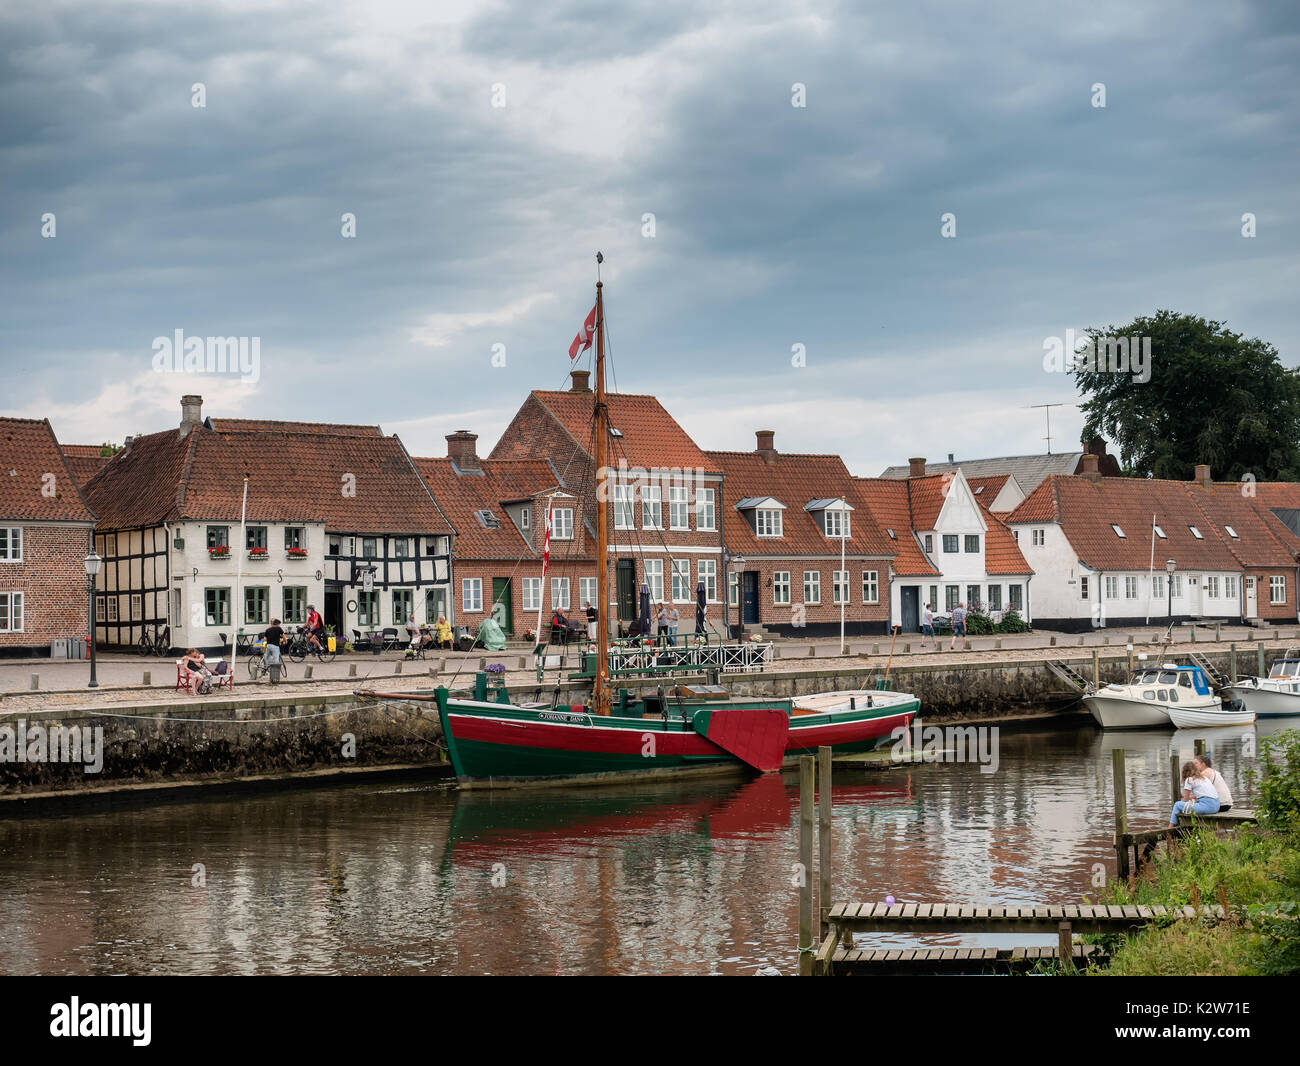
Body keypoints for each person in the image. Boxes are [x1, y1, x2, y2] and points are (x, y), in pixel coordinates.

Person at [1169, 759, 1220, 827]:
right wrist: (1189, 798)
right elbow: (1202, 796)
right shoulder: (1204, 778)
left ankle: (1169, 829)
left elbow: (1185, 800)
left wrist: (1185, 798)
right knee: (1187, 804)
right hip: (1216, 806)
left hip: (1208, 807)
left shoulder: (1189, 779)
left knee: (1177, 805)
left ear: (1185, 772)